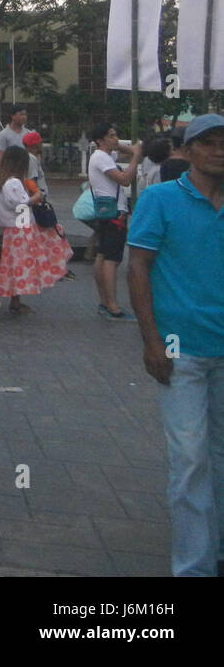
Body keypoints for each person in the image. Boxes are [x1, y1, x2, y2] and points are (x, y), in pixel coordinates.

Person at [126, 113, 224, 577]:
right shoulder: (161, 199)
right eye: (208, 142)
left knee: (220, 457)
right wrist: (151, 342)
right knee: (189, 459)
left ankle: (216, 548)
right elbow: (138, 267)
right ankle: (193, 567)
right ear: (189, 149)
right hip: (180, 349)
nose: (219, 150)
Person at [0, 145, 68, 313]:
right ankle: (17, 299)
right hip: (20, 226)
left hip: (11, 227)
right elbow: (19, 204)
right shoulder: (12, 182)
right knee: (21, 263)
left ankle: (16, 298)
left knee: (13, 264)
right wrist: (35, 197)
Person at [87, 121, 143, 320]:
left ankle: (105, 301)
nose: (116, 138)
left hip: (106, 212)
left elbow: (125, 149)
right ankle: (112, 305)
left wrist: (126, 147)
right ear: (100, 140)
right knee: (112, 259)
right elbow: (124, 179)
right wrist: (136, 157)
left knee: (103, 256)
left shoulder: (103, 155)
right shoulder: (102, 158)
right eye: (111, 135)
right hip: (114, 213)